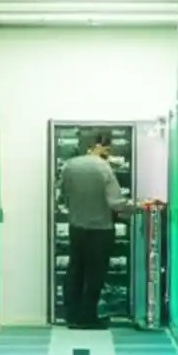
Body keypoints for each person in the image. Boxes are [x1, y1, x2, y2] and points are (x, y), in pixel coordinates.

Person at [59, 131, 138, 329]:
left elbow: (63, 198)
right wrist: (134, 207)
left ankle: (71, 315)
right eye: (107, 148)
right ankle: (88, 318)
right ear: (99, 147)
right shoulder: (104, 168)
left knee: (75, 269)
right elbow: (116, 203)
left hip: (76, 227)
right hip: (100, 230)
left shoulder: (69, 166)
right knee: (95, 274)